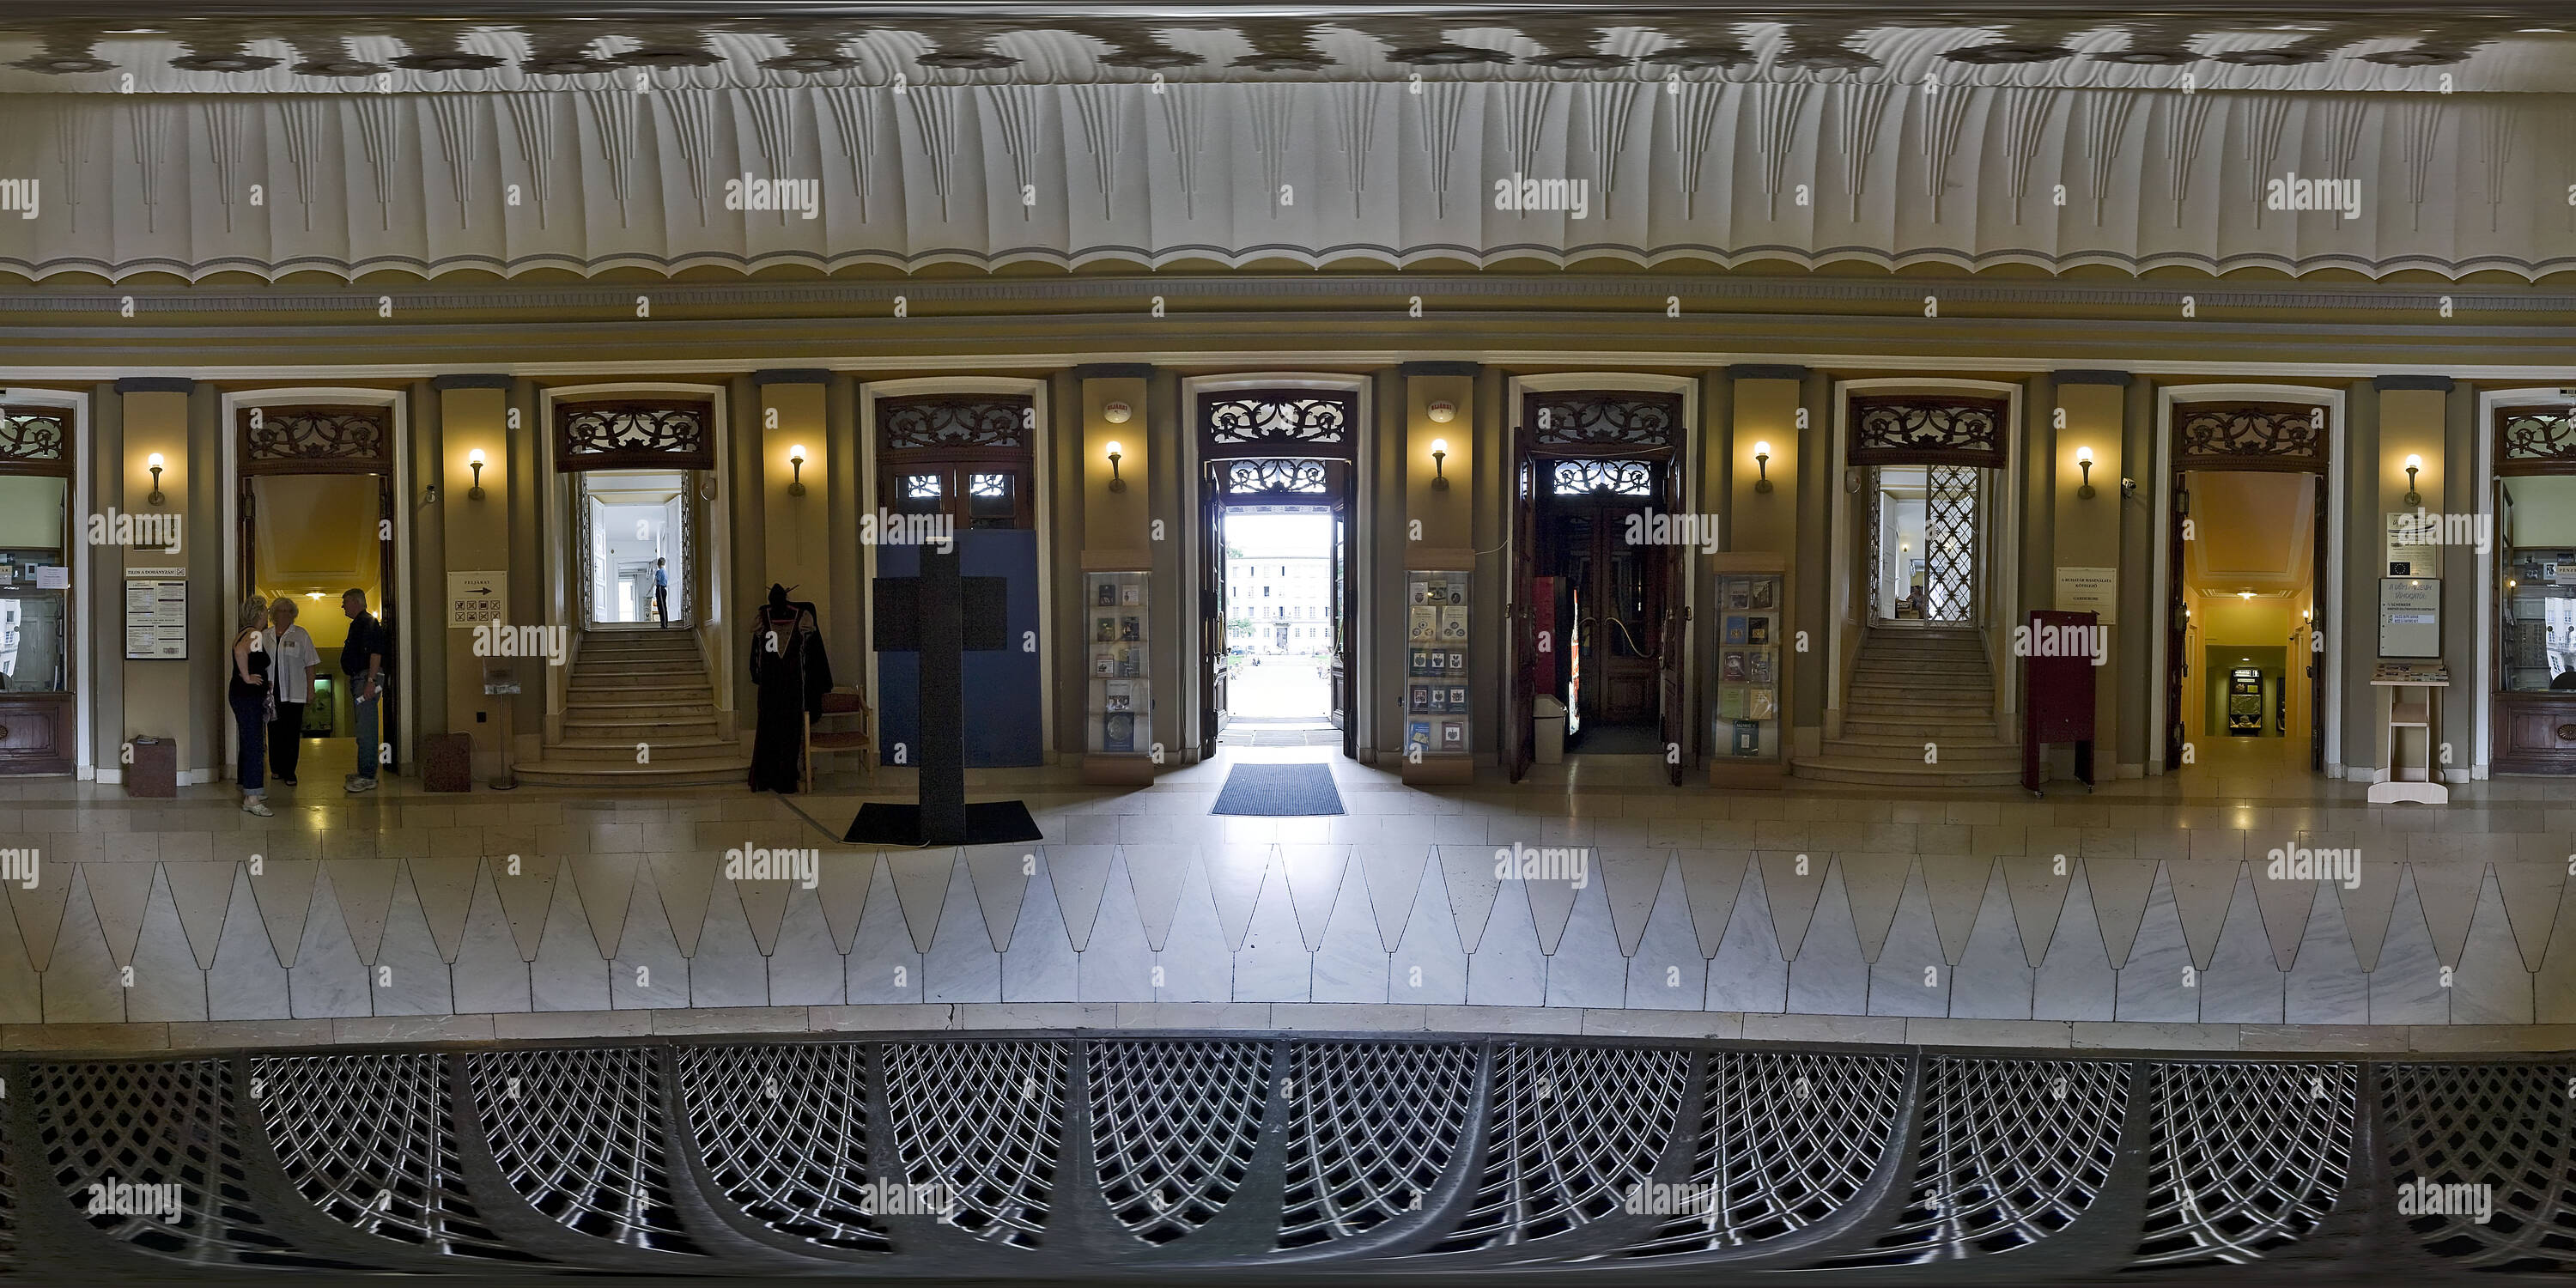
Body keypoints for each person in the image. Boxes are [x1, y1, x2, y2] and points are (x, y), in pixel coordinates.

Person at [266, 596, 320, 787]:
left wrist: (310, 689)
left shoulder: (301, 635)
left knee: (291, 733)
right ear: (274, 614)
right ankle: (276, 768)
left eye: (290, 611)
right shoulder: (265, 636)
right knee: (274, 731)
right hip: (272, 694)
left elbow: (310, 664)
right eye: (282, 611)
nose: (286, 615)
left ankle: (290, 771)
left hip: (295, 693)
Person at [229, 597, 273, 817]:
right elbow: (240, 652)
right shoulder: (253, 634)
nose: (267, 615)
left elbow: (246, 654)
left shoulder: (246, 632)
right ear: (258, 614)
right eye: (265, 611)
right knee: (255, 743)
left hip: (242, 696)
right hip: (247, 696)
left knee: (249, 740)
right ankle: (252, 797)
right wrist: (247, 677)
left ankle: (249, 786)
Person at [342, 588, 389, 793]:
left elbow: (375, 652)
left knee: (366, 728)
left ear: (355, 601)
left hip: (366, 678)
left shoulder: (368, 623)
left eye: (345, 602)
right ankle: (364, 771)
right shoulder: (361, 623)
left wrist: (370, 680)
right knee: (363, 726)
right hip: (362, 678)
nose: (342, 606)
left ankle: (368, 776)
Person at [653, 557, 670, 627]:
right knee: (661, 606)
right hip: (663, 589)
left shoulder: (659, 572)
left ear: (658, 564)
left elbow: (657, 581)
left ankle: (664, 623)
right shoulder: (665, 572)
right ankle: (663, 623)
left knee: (662, 607)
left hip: (660, 588)